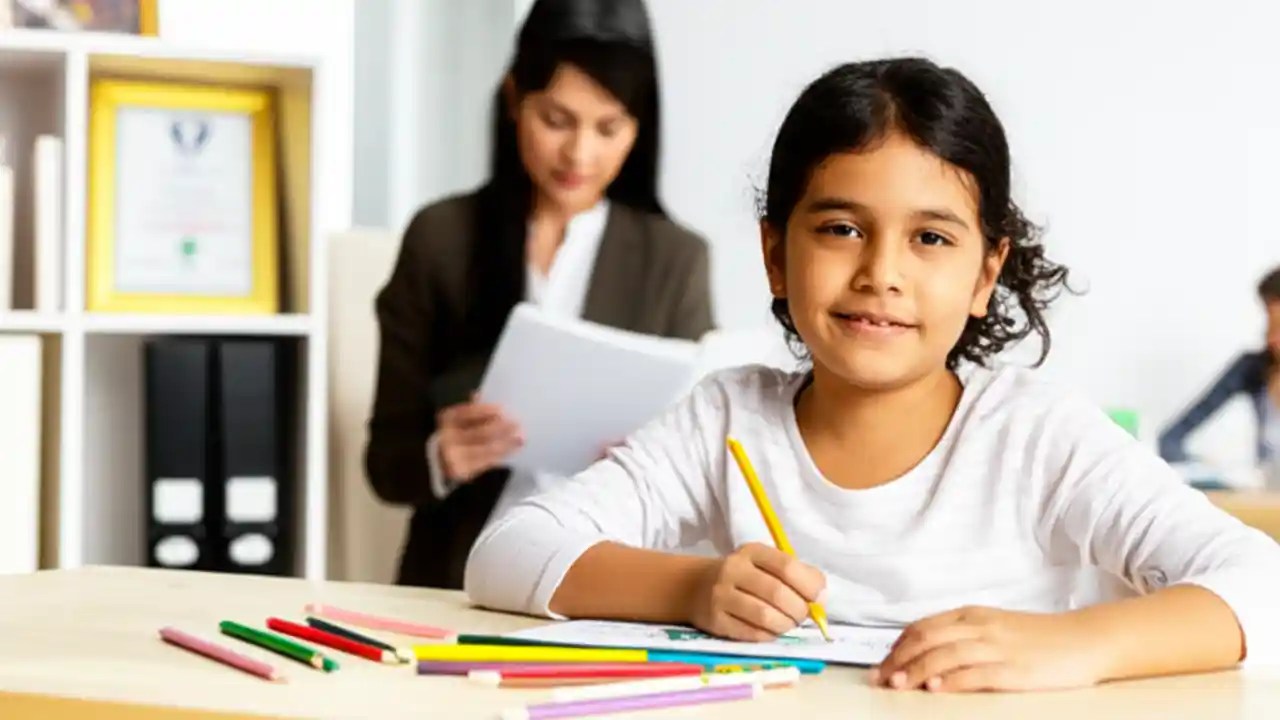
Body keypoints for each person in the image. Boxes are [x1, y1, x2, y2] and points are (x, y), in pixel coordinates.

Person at [465, 58, 1280, 691]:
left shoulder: (1036, 436)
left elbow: (1263, 588)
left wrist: (1075, 645)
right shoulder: (725, 419)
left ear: (985, 273)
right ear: (776, 255)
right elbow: (505, 553)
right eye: (843, 228)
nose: (881, 273)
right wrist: (691, 587)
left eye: (931, 238)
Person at [365, 0, 714, 590]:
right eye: (556, 119)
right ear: (512, 99)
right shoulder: (442, 239)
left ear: (639, 128)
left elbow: (699, 466)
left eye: (609, 128)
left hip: (608, 580)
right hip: (457, 575)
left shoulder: (674, 259)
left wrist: (648, 468)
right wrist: (441, 457)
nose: (579, 155)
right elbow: (386, 465)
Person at [1159, 268, 1280, 466]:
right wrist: (1213, 475)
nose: (1272, 338)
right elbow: (1169, 441)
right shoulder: (1251, 369)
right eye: (1270, 324)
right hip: (1267, 496)